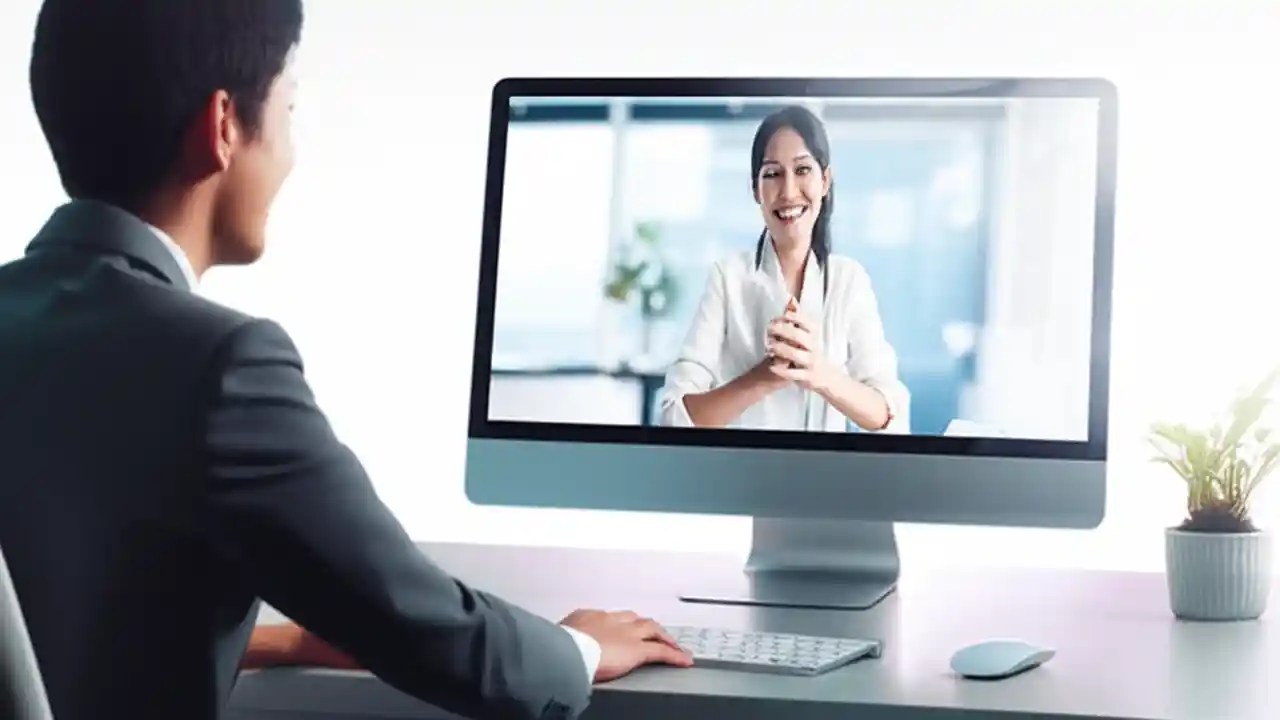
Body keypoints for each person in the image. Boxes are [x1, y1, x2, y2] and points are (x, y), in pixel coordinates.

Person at [0, 2, 690, 720]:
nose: (293, 151)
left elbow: (47, 619)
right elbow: (425, 625)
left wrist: (282, 639)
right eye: (289, 108)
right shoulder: (220, 367)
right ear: (224, 126)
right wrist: (574, 648)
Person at [658, 105, 910, 433]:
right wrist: (764, 377)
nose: (789, 192)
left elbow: (888, 415)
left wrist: (820, 373)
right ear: (755, 189)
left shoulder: (849, 280)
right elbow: (674, 416)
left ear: (825, 181)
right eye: (773, 174)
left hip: (824, 481)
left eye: (803, 170)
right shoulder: (727, 278)